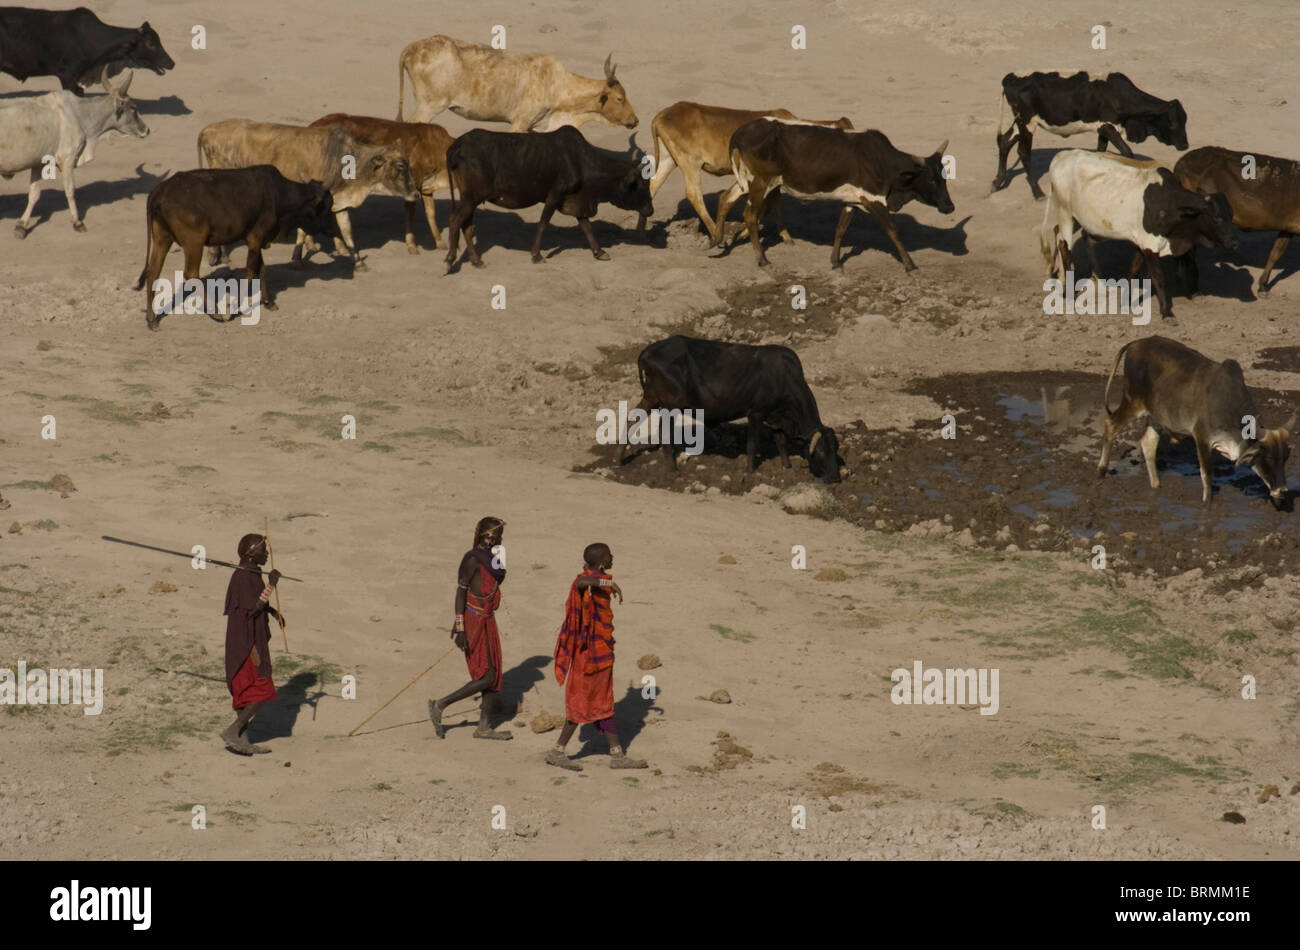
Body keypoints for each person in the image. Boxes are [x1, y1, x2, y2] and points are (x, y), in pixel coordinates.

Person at [547, 542, 646, 770]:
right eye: (609, 556)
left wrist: (608, 583)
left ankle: (617, 756)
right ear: (601, 561)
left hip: (601, 653)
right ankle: (557, 751)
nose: (612, 558)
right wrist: (608, 582)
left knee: (604, 702)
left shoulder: (598, 580)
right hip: (588, 656)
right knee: (581, 704)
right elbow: (581, 582)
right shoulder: (586, 580)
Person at [428, 516, 512, 740]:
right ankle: (440, 704)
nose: (495, 540)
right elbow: (460, 591)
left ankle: (483, 727)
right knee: (486, 677)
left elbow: (497, 580)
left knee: (493, 676)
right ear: (483, 536)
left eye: (498, 537)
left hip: (488, 620)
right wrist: (461, 628)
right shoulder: (473, 559)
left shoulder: (493, 558)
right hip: (474, 620)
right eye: (492, 536)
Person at [220, 533, 284, 755]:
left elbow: (257, 605)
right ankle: (233, 730)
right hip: (247, 642)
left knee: (246, 690)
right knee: (261, 688)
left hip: (250, 636)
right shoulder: (243, 577)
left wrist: (273, 612)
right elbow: (254, 606)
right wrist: (272, 585)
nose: (266, 553)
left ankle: (243, 742)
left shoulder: (251, 574)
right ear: (250, 552)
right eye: (263, 550)